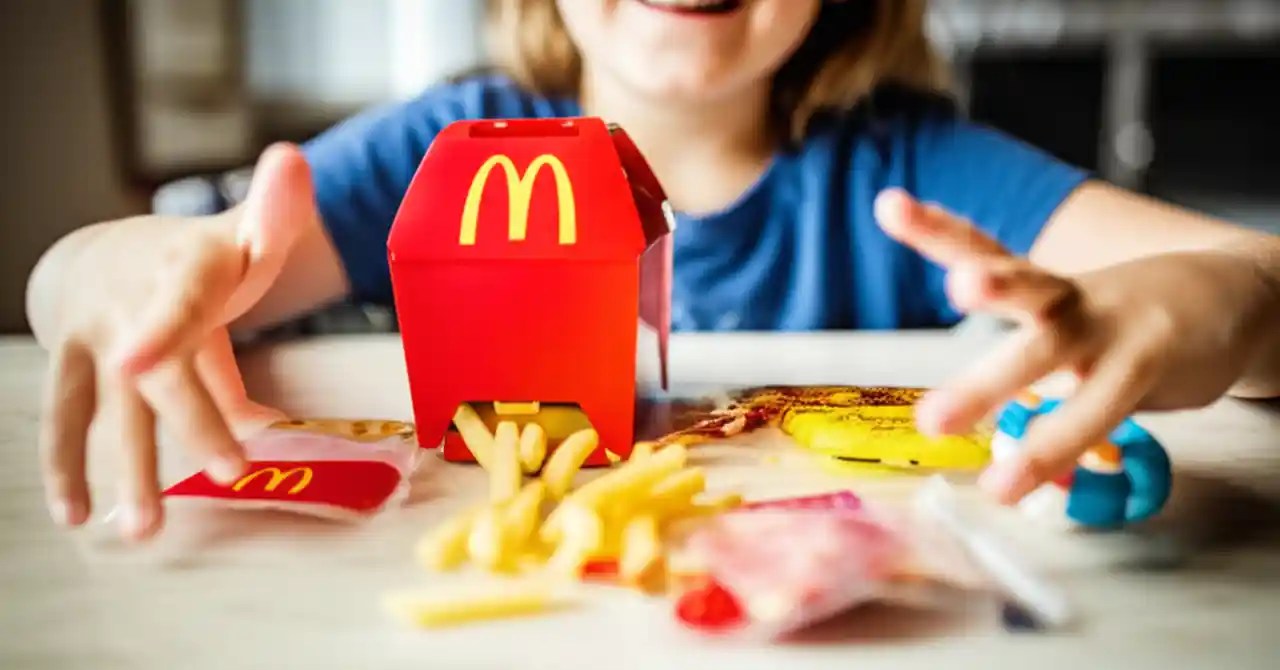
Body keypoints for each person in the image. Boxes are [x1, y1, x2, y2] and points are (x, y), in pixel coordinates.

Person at [26, 0, 1280, 540]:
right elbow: (175, 266)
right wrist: (96, 271)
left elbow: (1252, 282)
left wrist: (1207, 302)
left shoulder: (911, 162)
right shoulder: (443, 147)